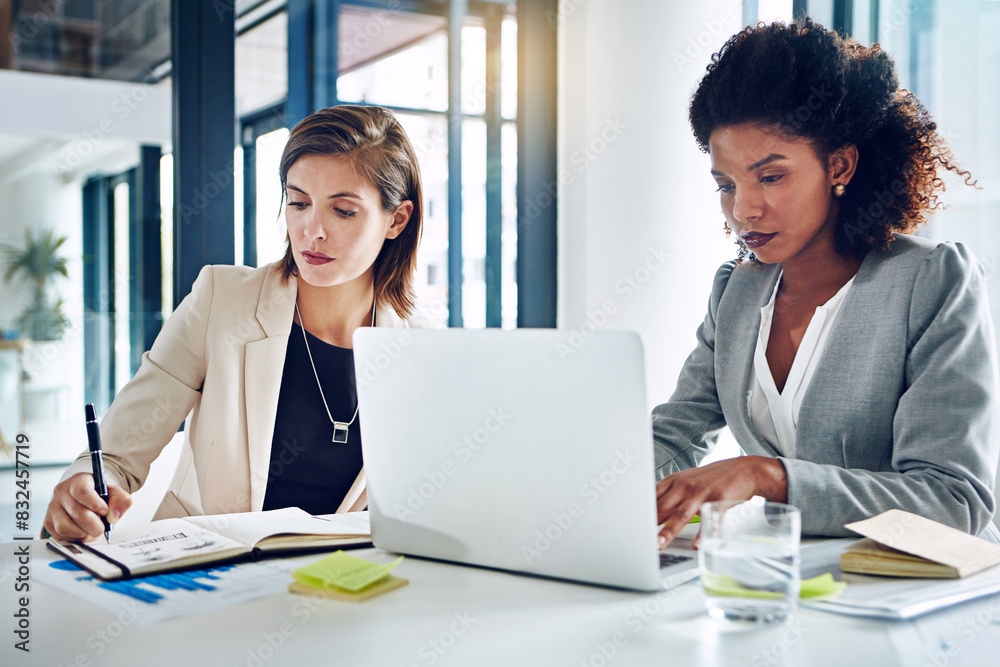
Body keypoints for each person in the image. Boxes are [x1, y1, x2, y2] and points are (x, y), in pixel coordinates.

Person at [653, 19, 1000, 546]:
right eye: (726, 185)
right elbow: (673, 436)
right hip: (798, 586)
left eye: (771, 177)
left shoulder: (931, 282)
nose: (743, 209)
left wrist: (769, 478)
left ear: (839, 165)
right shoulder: (737, 294)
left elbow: (953, 501)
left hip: (917, 594)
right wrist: (583, 486)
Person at [43, 105, 423, 541]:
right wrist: (85, 487)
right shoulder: (221, 301)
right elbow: (116, 453)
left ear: (396, 219)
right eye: (298, 203)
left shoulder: (418, 348)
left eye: (343, 211)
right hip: (205, 573)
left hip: (343, 586)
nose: (311, 229)